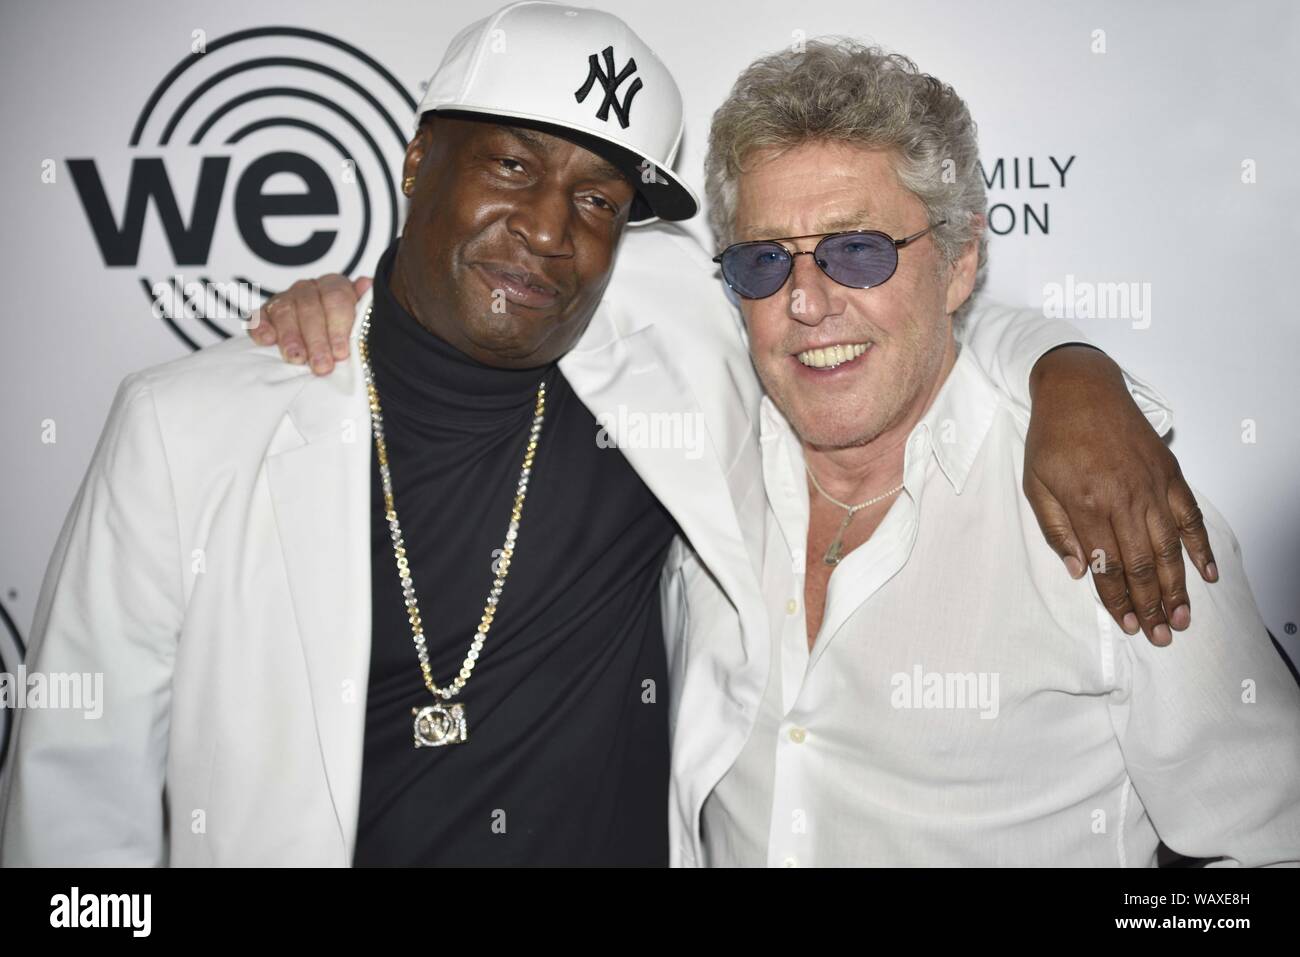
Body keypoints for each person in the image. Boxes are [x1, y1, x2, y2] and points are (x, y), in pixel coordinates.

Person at [1, 3, 1210, 867]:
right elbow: (72, 815)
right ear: (419, 160)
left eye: (595, 198)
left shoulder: (674, 325)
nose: (545, 228)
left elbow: (893, 298)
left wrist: (1072, 372)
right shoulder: (186, 432)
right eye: (511, 165)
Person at [686, 39, 1298, 866]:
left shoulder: (1113, 516)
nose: (804, 299)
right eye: (764, 261)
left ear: (960, 262)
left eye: (857, 250)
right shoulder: (692, 478)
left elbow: (1270, 846)